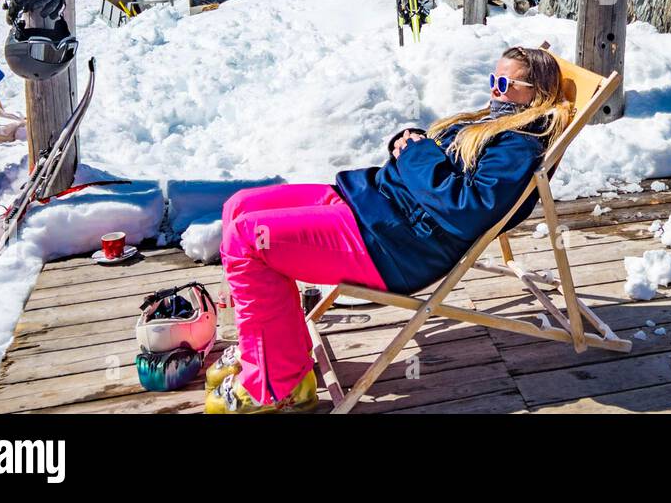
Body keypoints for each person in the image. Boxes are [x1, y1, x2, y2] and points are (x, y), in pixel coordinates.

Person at [207, 46, 571, 414]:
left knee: (249, 239)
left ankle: (274, 384)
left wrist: (416, 155)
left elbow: (469, 209)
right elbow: (436, 164)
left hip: (392, 243)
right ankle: (274, 353)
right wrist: (411, 141)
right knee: (239, 205)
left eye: (505, 83)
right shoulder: (494, 124)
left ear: (536, 93)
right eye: (493, 79)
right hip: (373, 203)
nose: (494, 89)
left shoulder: (518, 146)